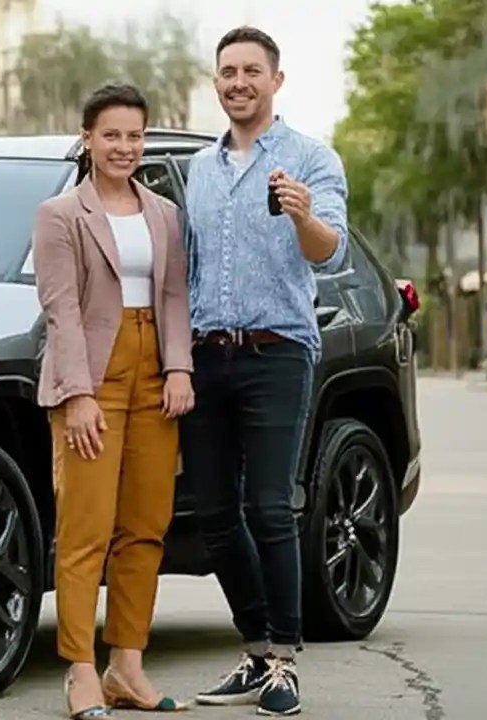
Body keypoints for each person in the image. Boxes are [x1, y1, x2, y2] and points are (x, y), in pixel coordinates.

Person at [180, 26, 349, 717]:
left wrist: (304, 217)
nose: (238, 82)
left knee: (270, 507)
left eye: (252, 70)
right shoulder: (200, 167)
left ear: (276, 80)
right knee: (216, 513)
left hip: (277, 350)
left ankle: (285, 659)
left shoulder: (310, 158)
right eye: (228, 71)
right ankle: (253, 648)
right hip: (205, 354)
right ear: (216, 81)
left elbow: (329, 255)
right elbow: (185, 269)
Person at [32, 83, 196, 719]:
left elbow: (176, 296)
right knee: (85, 532)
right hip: (92, 377)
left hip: (156, 374)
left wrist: (179, 367)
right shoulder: (59, 215)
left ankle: (126, 665)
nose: (124, 147)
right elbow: (60, 309)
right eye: (112, 136)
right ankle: (80, 672)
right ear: (88, 140)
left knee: (145, 529)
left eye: (134, 136)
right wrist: (77, 395)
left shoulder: (163, 214)